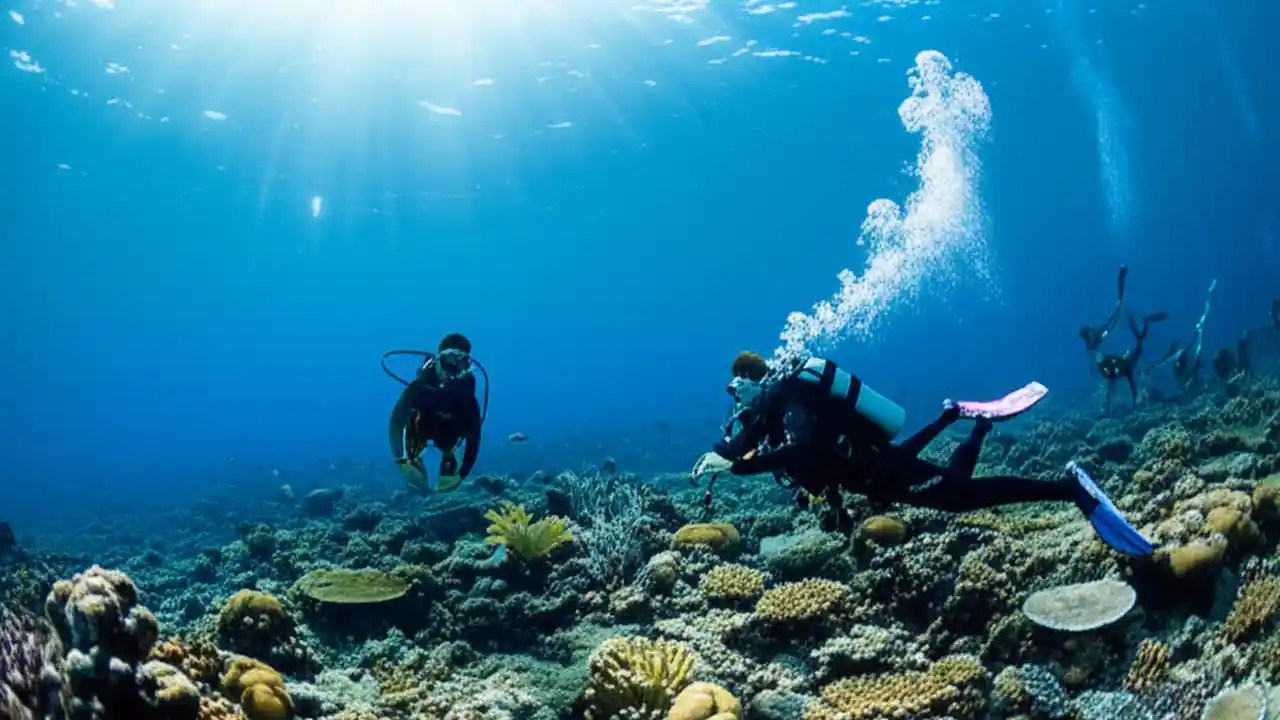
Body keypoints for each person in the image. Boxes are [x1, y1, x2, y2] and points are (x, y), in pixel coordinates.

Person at [690, 351, 1153, 557]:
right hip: (873, 470)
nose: (737, 400)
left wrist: (732, 464)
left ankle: (1068, 488)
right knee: (953, 491)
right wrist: (726, 458)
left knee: (958, 496)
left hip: (879, 470)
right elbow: (745, 449)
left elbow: (804, 451)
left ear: (753, 380)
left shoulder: (789, 403)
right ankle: (967, 422)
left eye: (738, 388)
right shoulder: (772, 411)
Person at [387, 333, 483, 492]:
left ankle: (449, 461)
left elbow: (474, 436)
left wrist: (462, 473)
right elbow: (396, 421)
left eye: (461, 363)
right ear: (438, 360)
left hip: (449, 435)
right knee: (410, 420)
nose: (452, 371)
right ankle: (413, 459)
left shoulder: (466, 394)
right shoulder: (419, 387)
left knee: (458, 435)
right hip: (422, 430)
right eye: (449, 361)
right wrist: (400, 458)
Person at [1154, 279, 1216, 393]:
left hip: (1188, 366)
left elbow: (1168, 361)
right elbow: (1168, 362)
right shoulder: (1186, 359)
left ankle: (1211, 292)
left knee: (1202, 326)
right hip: (1186, 369)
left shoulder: (1190, 354)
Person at [1096, 312, 1166, 410]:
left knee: (1139, 346)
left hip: (1126, 366)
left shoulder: (1109, 366)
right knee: (1139, 346)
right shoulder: (1109, 366)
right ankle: (1139, 323)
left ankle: (1139, 323)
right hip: (1126, 366)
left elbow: (1118, 367)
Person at [1079, 265, 1129, 354]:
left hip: (1108, 325)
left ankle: (1122, 273)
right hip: (1108, 325)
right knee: (1118, 304)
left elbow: (1107, 326)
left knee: (1119, 303)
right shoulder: (1095, 337)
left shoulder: (1095, 336)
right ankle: (1122, 273)